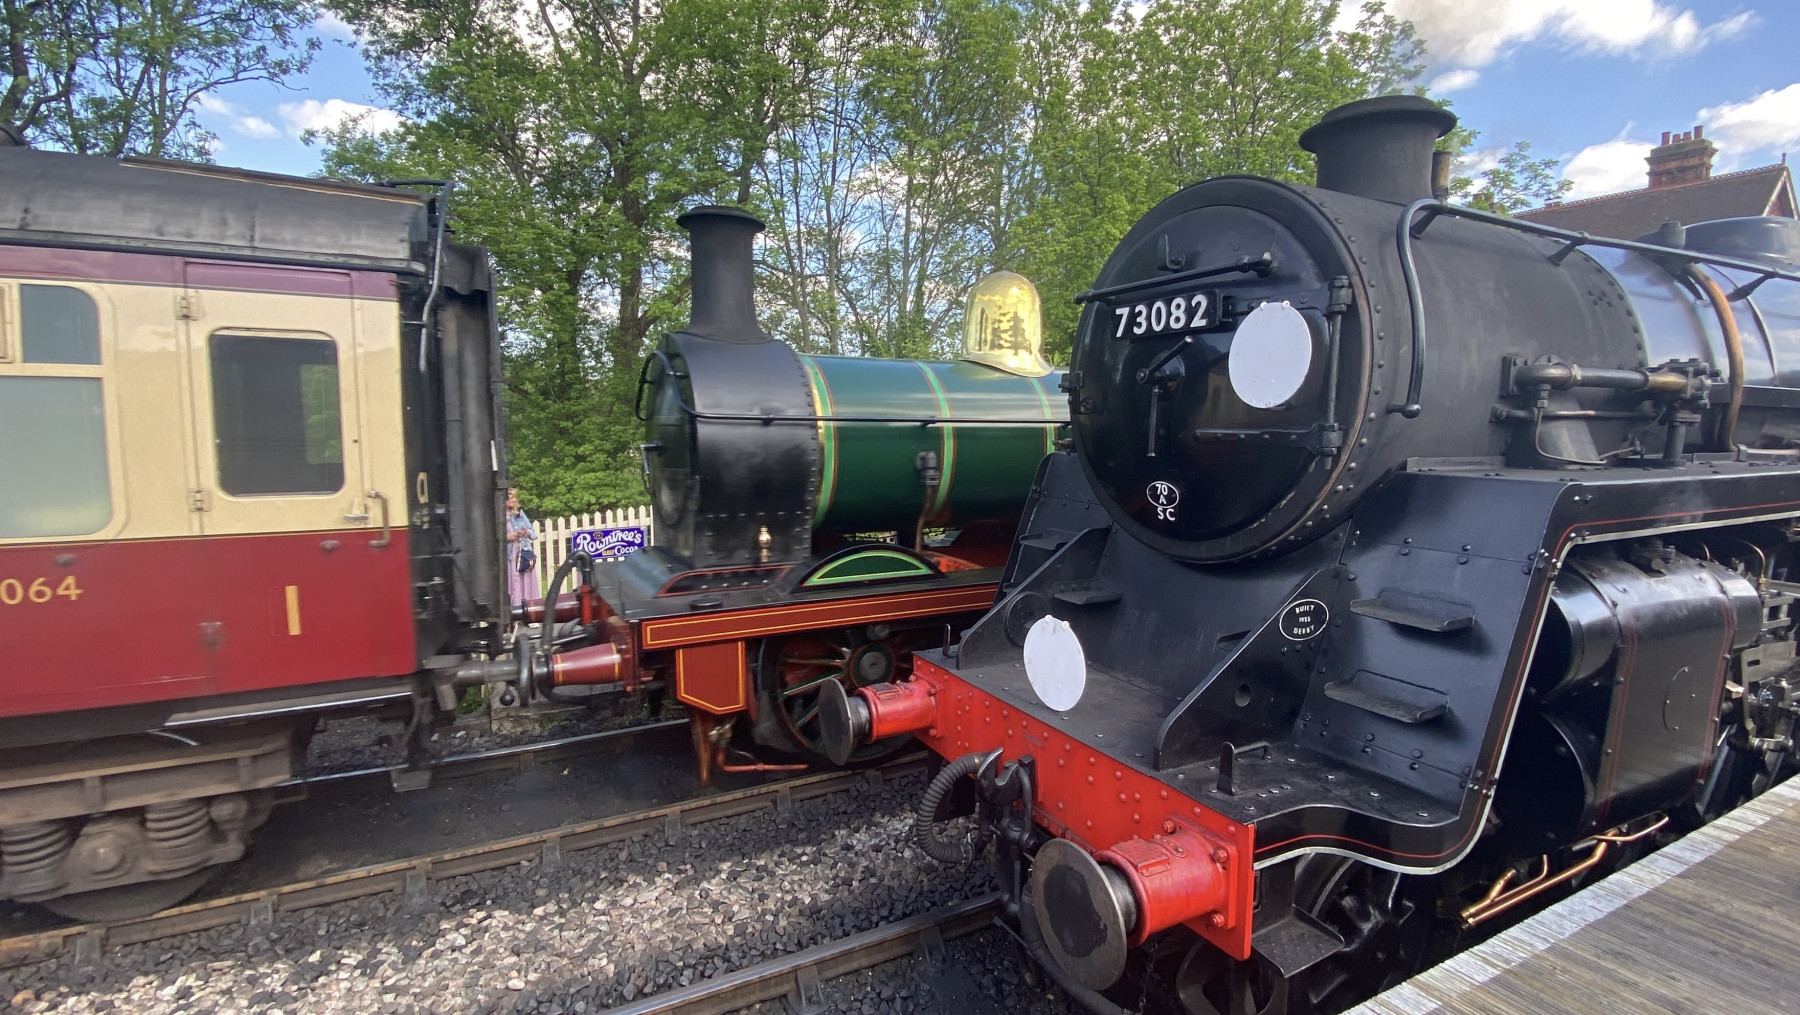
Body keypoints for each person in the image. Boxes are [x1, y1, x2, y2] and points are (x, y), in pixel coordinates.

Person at [505, 488, 540, 605]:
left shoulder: (519, 514)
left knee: (527, 579)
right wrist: (506, 537)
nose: (514, 500)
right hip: (510, 555)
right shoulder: (498, 517)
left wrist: (526, 533)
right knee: (514, 583)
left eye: (515, 497)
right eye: (511, 498)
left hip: (524, 551)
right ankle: (515, 612)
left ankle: (531, 612)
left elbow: (532, 532)